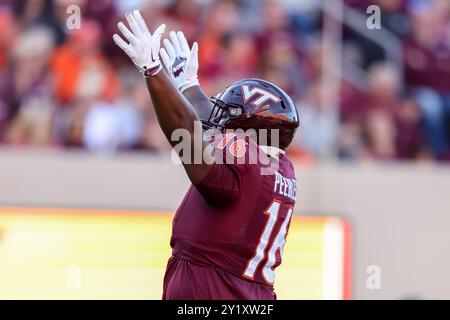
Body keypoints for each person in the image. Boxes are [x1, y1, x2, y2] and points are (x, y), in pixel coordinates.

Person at [113, 10, 299, 300]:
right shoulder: (279, 166)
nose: (218, 120)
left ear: (248, 127)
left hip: (215, 291)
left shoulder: (246, 159)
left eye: (228, 115)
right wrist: (189, 86)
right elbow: (208, 128)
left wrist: (153, 71)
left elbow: (188, 139)